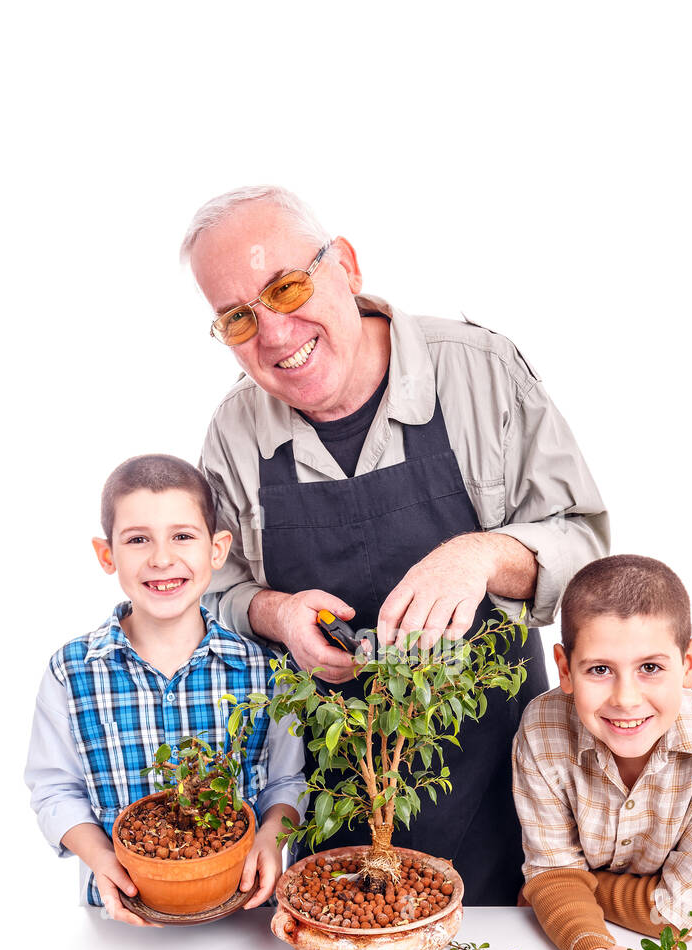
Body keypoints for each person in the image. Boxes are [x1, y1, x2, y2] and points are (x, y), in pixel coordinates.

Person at [182, 185, 609, 904]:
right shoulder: (234, 433)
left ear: (345, 265)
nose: (275, 333)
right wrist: (276, 613)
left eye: (287, 287)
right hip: (339, 816)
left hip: (503, 795)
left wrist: (482, 553)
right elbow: (213, 592)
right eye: (236, 318)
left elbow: (586, 552)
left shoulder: (478, 371)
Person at [25, 454, 305, 925]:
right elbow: (55, 789)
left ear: (217, 551)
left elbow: (287, 781)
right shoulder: (72, 673)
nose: (161, 558)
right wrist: (101, 860)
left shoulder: (266, 670)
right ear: (106, 554)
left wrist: (272, 836)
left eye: (182, 536)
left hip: (246, 916)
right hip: (122, 921)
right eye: (138, 540)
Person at [512, 555, 692, 950]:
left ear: (689, 663)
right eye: (600, 670)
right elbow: (552, 872)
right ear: (565, 670)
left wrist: (568, 888)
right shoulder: (541, 729)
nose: (626, 699)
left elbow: (683, 916)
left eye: (650, 667)